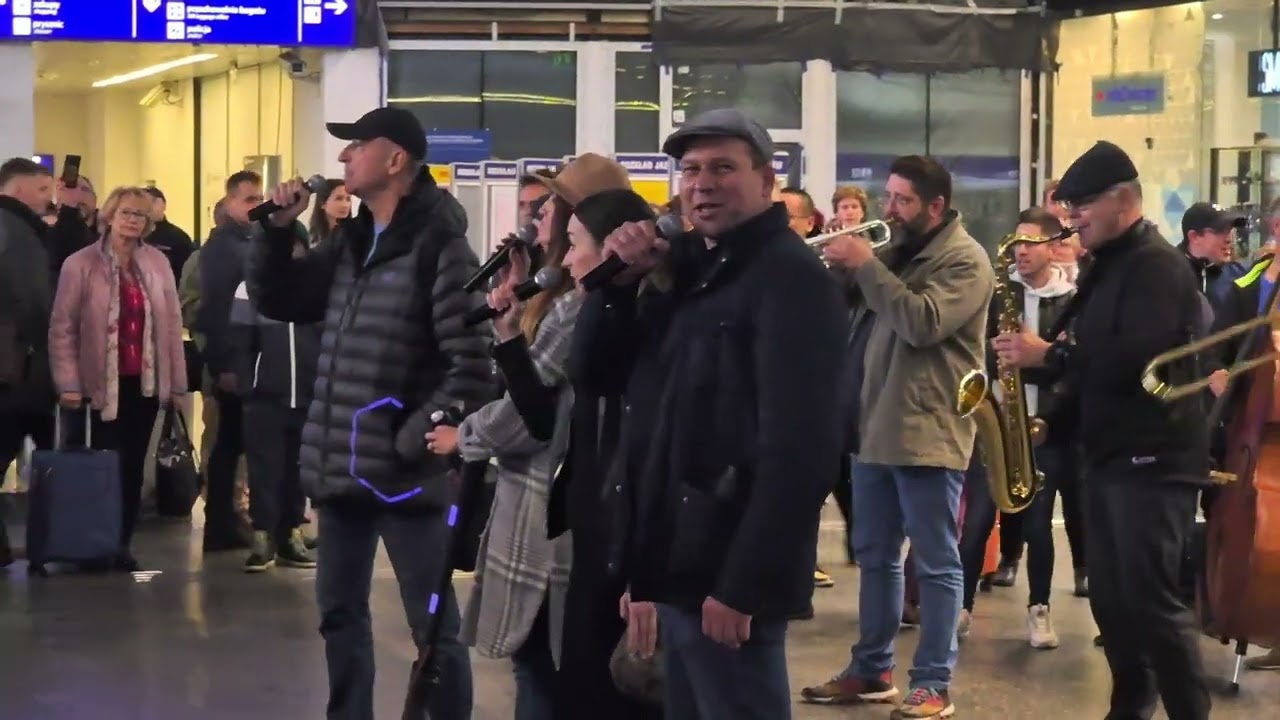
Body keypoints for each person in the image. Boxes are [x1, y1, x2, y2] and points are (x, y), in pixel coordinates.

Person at [573, 108, 846, 719]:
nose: (702, 183)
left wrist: (743, 584)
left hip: (726, 576)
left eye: (724, 167)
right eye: (691, 169)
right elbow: (595, 375)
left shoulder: (790, 279)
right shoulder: (690, 267)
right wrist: (615, 287)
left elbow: (802, 450)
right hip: (675, 562)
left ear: (766, 180)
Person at [246, 106, 493, 720]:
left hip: (404, 476)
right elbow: (280, 300)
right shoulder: (353, 242)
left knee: (433, 626)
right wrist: (277, 231)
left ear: (396, 160)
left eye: (356, 146)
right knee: (339, 615)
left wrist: (411, 436)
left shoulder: (443, 247)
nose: (342, 158)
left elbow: (471, 365)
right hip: (342, 469)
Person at [993, 140, 1211, 720]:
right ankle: (1129, 708)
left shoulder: (1157, 267)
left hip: (1153, 461)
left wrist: (1048, 358)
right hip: (1109, 457)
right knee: (1113, 607)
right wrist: (1046, 419)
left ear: (1123, 200)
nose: (1072, 220)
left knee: (1155, 606)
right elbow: (1087, 353)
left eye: (1082, 206)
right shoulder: (1106, 264)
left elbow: (1137, 359)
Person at [801, 155, 994, 720]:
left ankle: (934, 682)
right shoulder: (895, 252)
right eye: (888, 197)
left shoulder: (965, 260)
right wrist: (837, 267)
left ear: (935, 206)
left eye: (902, 201)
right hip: (872, 424)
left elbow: (922, 322)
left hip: (926, 427)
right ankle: (872, 668)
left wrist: (865, 265)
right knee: (876, 556)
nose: (889, 210)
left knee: (935, 561)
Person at [955, 207, 1083, 647]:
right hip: (996, 425)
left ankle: (1039, 609)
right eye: (1017, 242)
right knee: (975, 525)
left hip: (1041, 428)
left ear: (1053, 248)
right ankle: (962, 608)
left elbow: (1072, 371)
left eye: (1031, 242)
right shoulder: (997, 294)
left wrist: (1039, 366)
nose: (1022, 250)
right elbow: (972, 357)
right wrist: (994, 356)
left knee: (1037, 526)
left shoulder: (1071, 301)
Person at [48, 186, 188, 572]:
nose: (132, 220)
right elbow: (63, 329)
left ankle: (120, 543)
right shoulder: (79, 264)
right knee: (98, 468)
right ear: (109, 216)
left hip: (141, 384)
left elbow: (172, 326)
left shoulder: (158, 263)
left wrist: (175, 384)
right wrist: (68, 383)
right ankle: (89, 542)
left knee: (129, 470)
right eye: (126, 212)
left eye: (140, 215)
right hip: (94, 387)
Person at [0, 158, 57, 568]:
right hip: (21, 369)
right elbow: (34, 301)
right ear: (17, 189)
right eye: (42, 190)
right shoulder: (15, 231)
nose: (49, 198)